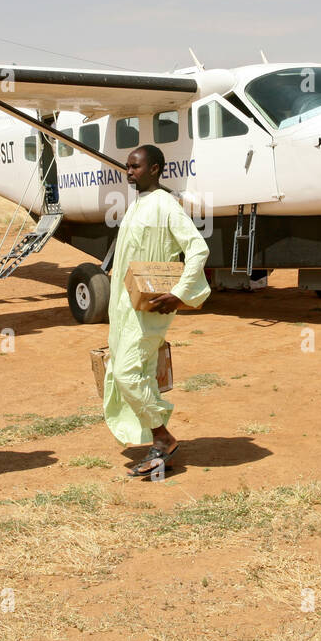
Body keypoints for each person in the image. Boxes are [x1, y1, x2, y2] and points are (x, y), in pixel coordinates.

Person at [103, 144, 211, 478]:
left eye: (135, 166)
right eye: (127, 166)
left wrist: (178, 294)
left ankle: (163, 437)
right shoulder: (137, 204)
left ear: (155, 169)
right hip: (125, 308)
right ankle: (157, 439)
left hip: (150, 309)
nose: (129, 171)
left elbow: (197, 249)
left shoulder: (166, 205)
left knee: (127, 373)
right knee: (130, 370)